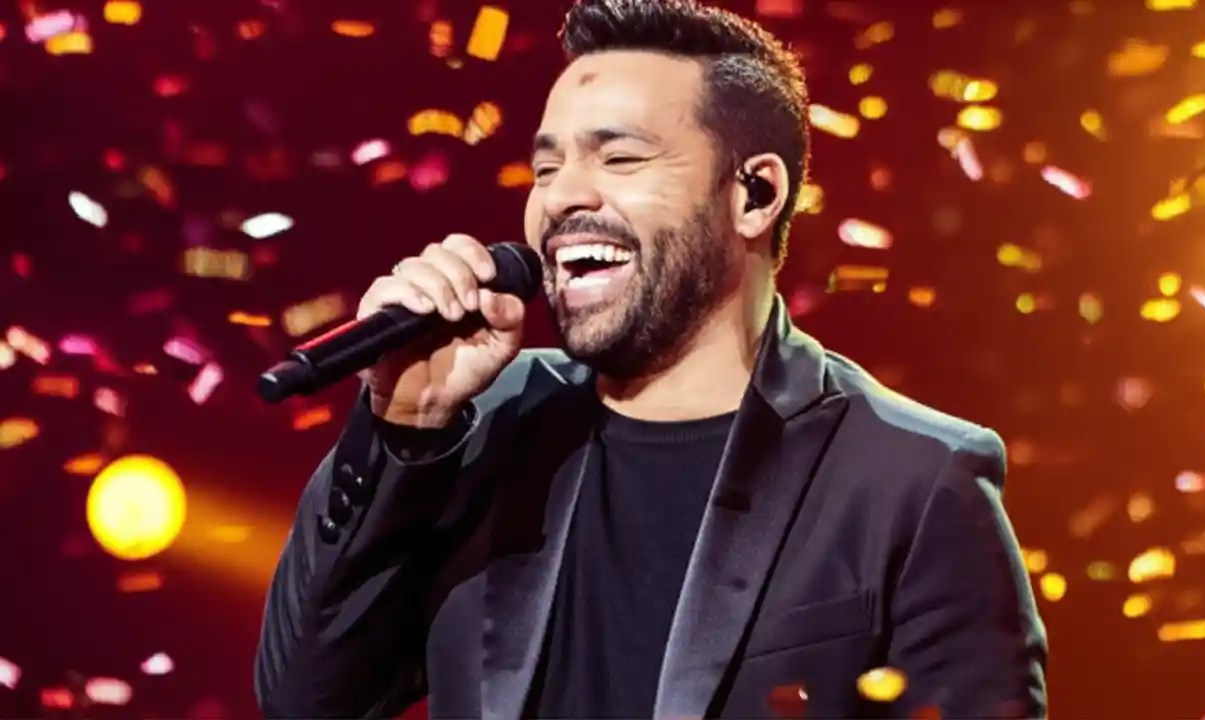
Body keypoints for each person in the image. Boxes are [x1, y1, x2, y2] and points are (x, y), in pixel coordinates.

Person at [253, 0, 1048, 717]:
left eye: (619, 158)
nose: (562, 197)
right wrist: (406, 426)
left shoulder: (909, 477)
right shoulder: (489, 430)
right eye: (547, 166)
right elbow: (305, 699)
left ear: (755, 194)